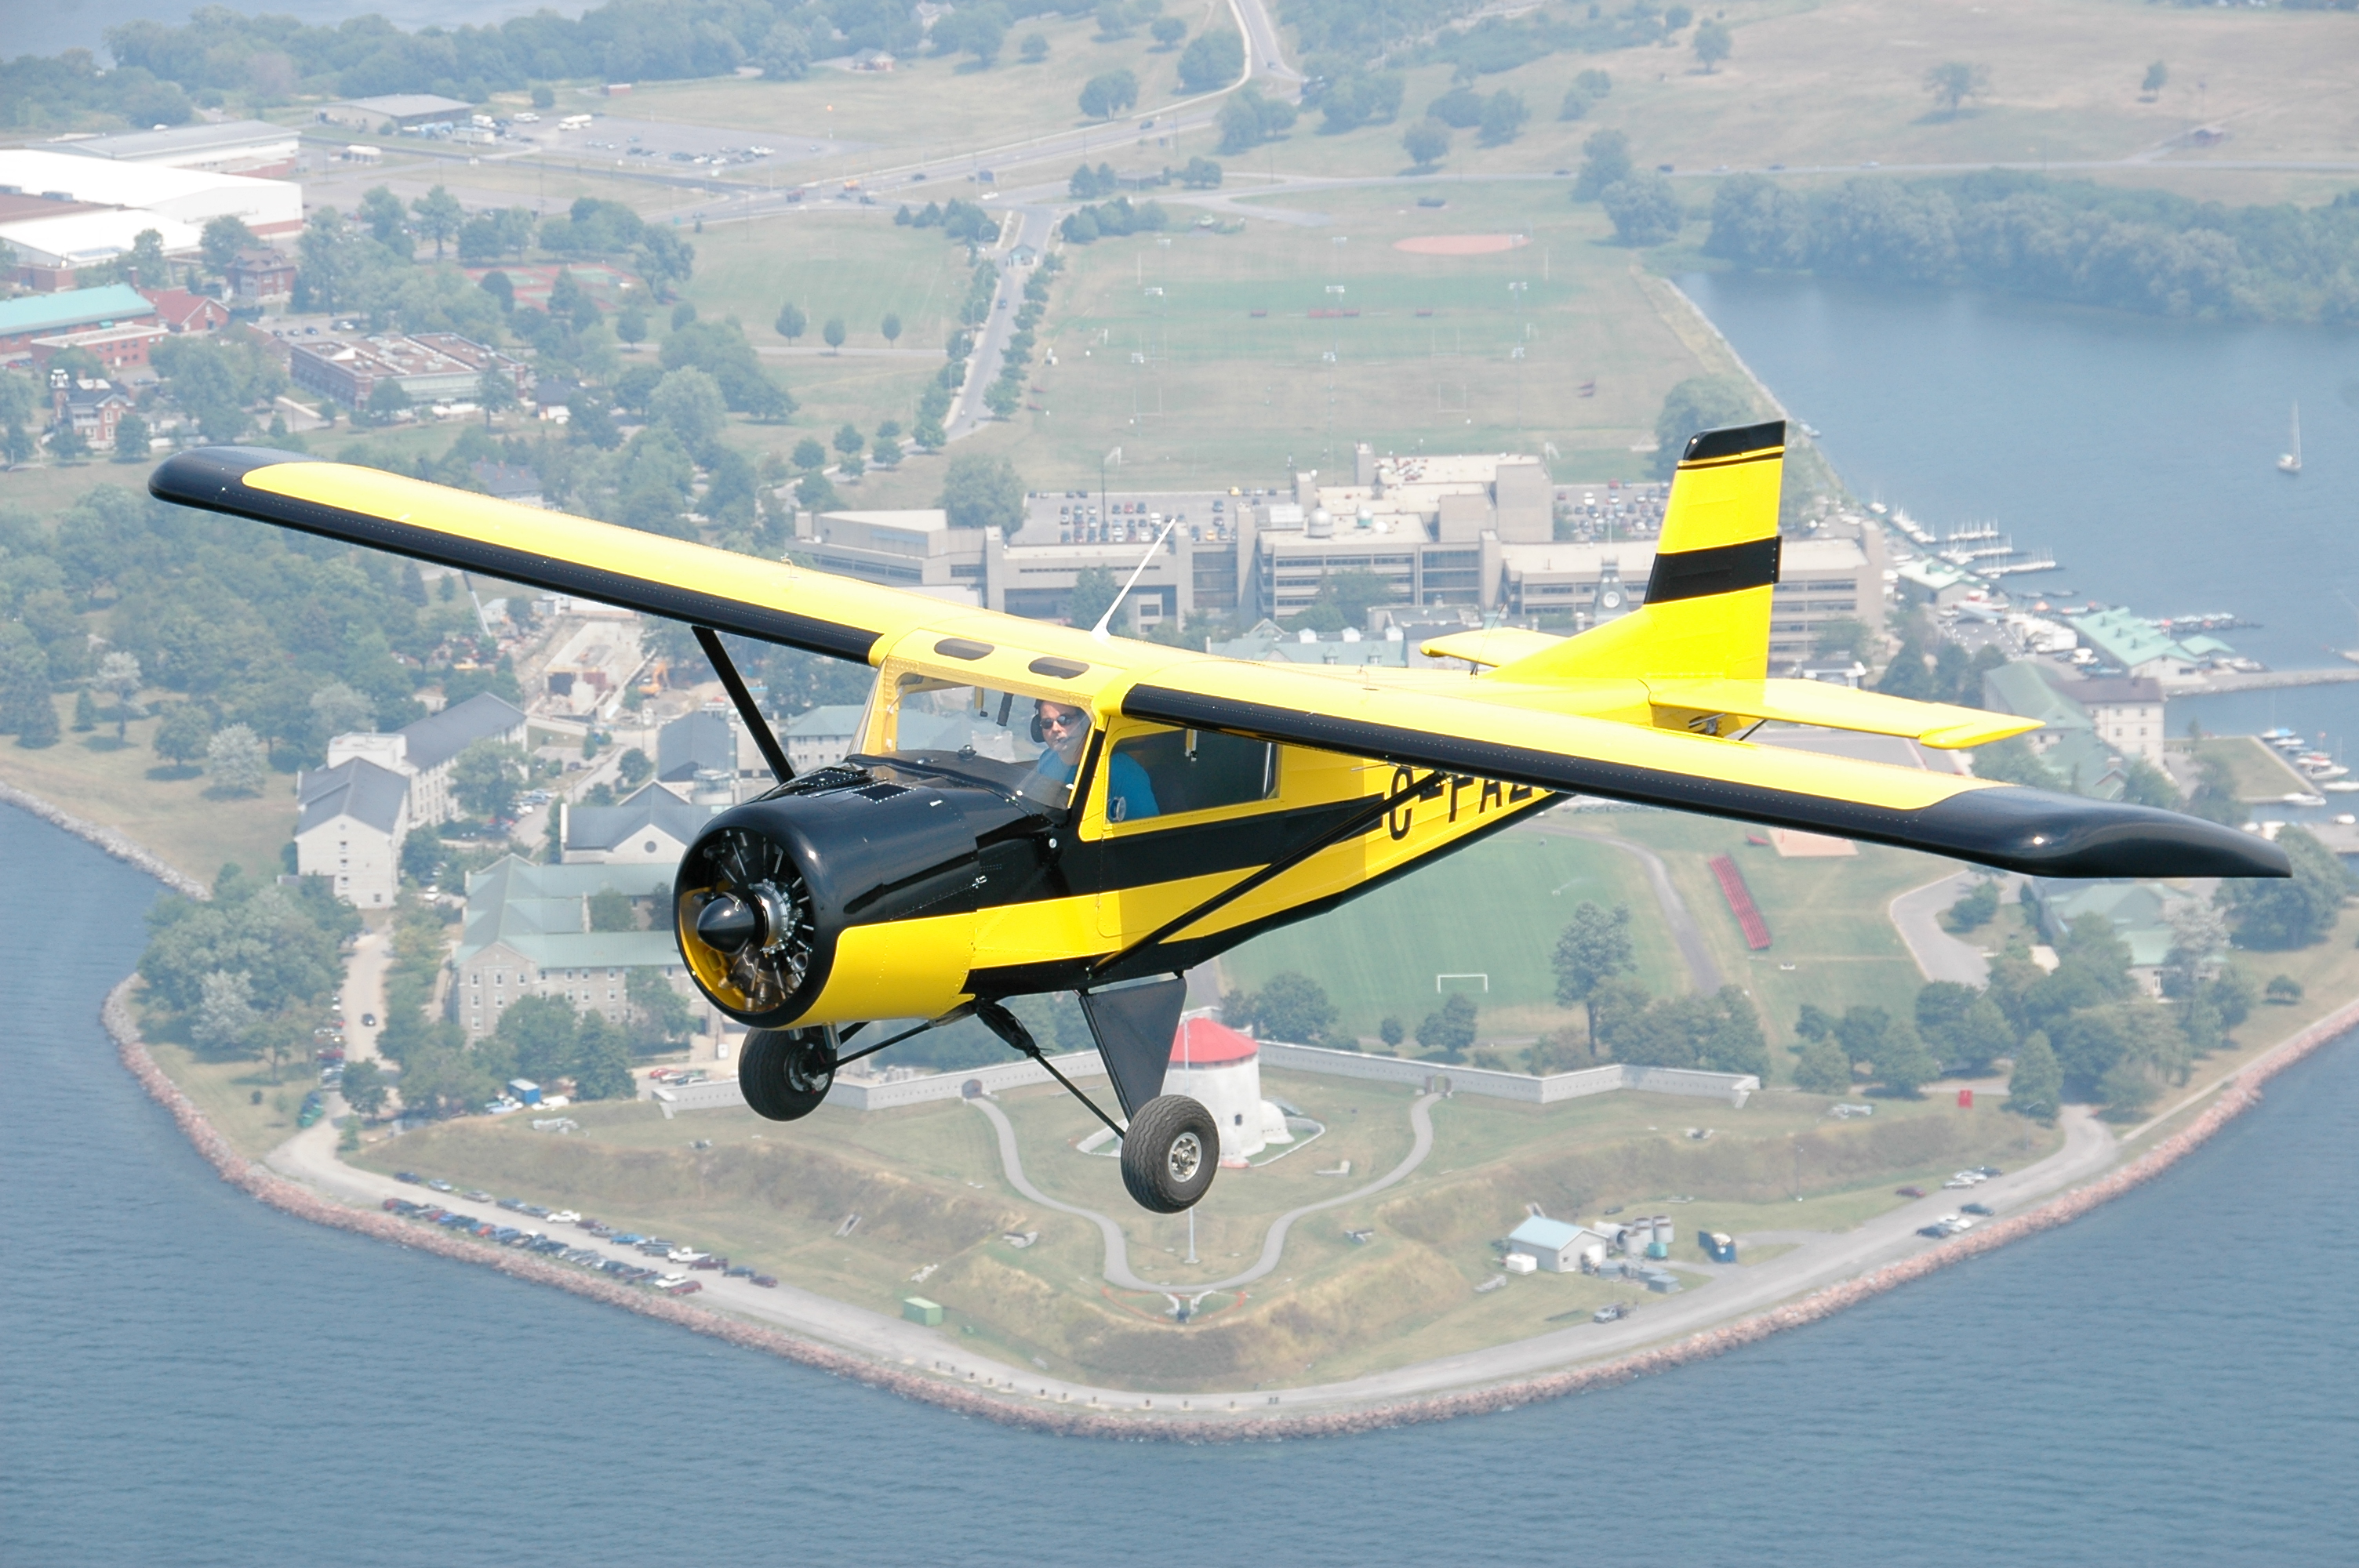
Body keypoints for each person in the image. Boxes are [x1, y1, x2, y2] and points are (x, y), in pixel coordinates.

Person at [1027, 699, 1157, 820]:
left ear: (1085, 722)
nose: (1055, 729)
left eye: (1065, 720)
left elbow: (1147, 829)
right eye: (1047, 723)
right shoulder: (1047, 760)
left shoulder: (1123, 771)